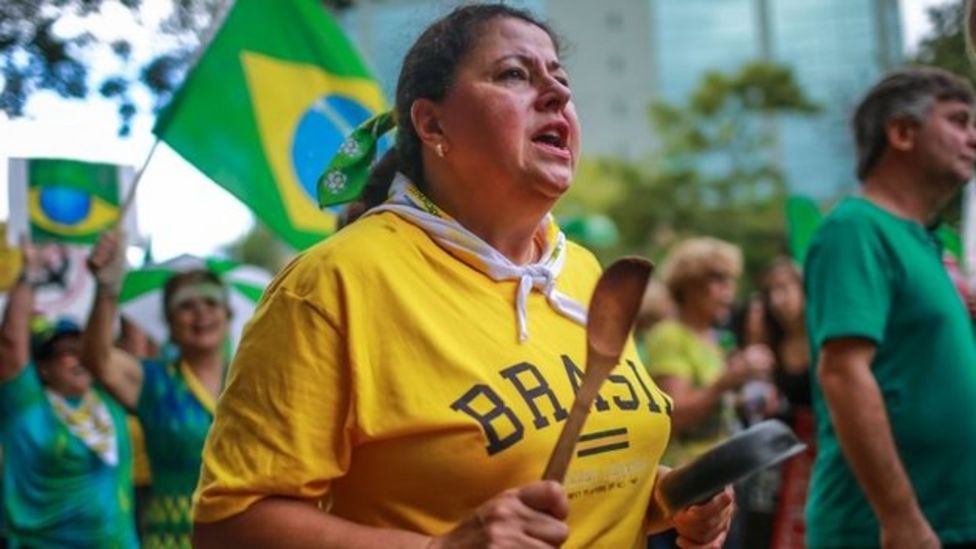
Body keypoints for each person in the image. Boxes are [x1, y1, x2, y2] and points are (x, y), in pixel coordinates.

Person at [191, 4, 734, 548]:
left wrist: (667, 498)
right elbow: (229, 527)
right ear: (432, 124)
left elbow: (578, 485)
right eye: (515, 74)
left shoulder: (584, 271)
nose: (558, 94)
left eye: (560, 79)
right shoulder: (331, 286)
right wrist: (440, 547)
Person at [804, 66, 976, 549]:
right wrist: (899, 517)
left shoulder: (930, 242)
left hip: (948, 522)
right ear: (901, 132)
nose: (973, 137)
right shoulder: (855, 229)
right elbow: (842, 372)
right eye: (959, 121)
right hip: (881, 531)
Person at [83, 231, 231, 548]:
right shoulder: (155, 381)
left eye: (211, 302)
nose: (201, 313)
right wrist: (107, 289)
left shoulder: (250, 379)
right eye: (186, 306)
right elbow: (99, 359)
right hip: (172, 533)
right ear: (169, 322)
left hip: (238, 531)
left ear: (227, 315)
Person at [0, 245, 137, 547]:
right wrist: (30, 275)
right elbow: (11, 342)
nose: (79, 360)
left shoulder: (109, 399)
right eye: (66, 353)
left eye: (83, 351)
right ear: (44, 368)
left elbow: (128, 345)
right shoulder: (27, 406)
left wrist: (113, 282)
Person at [644, 237, 774, 468]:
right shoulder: (670, 336)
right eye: (717, 278)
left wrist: (751, 398)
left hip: (720, 471)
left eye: (731, 280)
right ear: (688, 285)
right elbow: (672, 418)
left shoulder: (716, 339)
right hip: (684, 474)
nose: (728, 289)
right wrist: (725, 382)